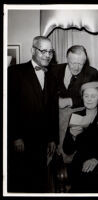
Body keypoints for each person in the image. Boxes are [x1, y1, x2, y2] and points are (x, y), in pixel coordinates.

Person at [8, 36, 59, 192]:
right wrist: (16, 136)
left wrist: (52, 138)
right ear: (32, 50)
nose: (47, 55)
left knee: (39, 182)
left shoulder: (52, 75)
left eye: (50, 51)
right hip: (22, 140)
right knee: (20, 182)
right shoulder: (15, 72)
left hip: (42, 142)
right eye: (43, 50)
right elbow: (10, 107)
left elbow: (52, 110)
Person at [63, 82, 98, 193]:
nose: (89, 99)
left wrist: (96, 159)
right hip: (80, 163)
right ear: (82, 97)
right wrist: (72, 136)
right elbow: (67, 149)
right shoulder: (76, 116)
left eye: (93, 96)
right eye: (86, 96)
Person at [51, 45, 98, 163]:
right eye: (73, 63)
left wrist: (69, 101)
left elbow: (91, 96)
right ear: (67, 58)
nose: (77, 68)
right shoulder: (53, 70)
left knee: (73, 153)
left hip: (78, 114)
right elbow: (46, 95)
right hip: (55, 116)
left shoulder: (91, 72)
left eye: (80, 64)